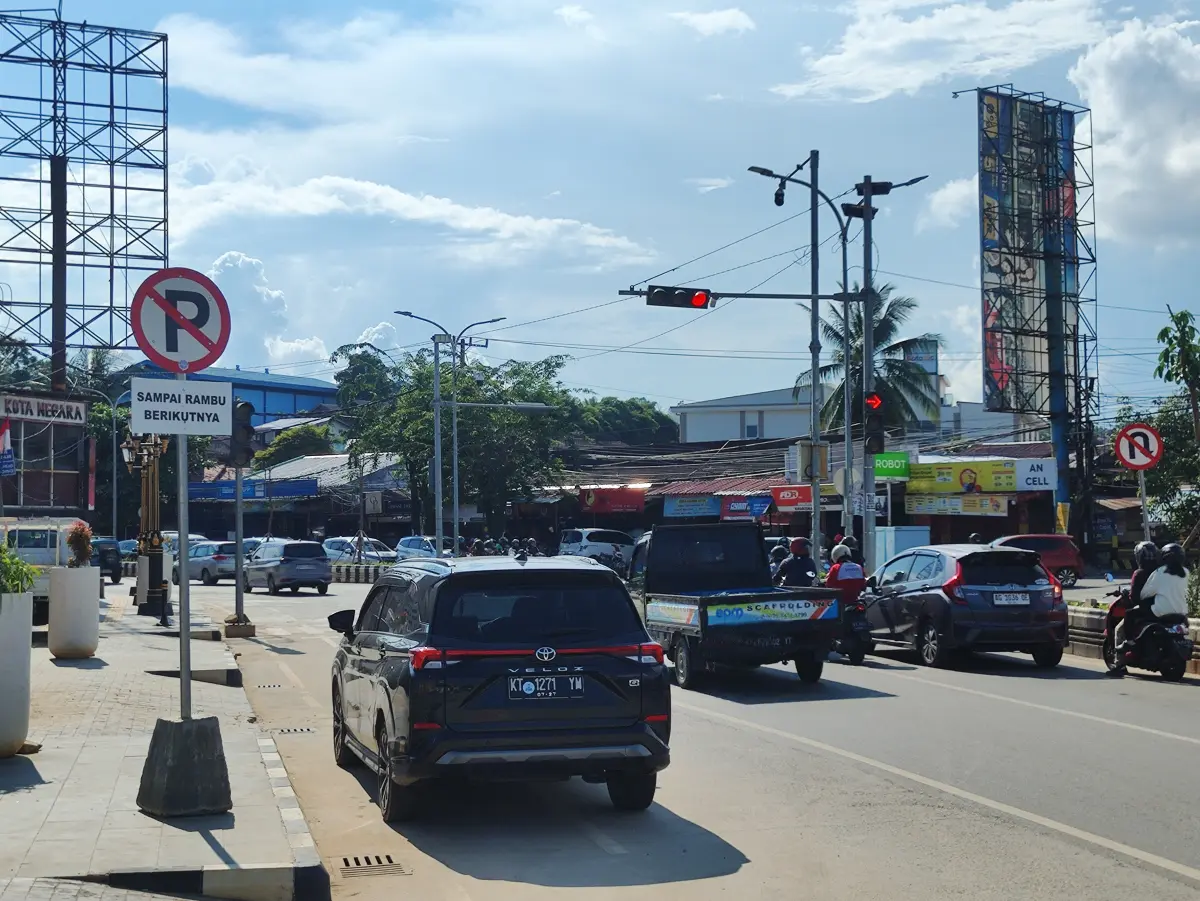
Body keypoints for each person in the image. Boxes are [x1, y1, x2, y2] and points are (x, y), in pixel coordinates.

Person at [1108, 540, 1161, 677]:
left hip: (1144, 612)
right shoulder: (1161, 572)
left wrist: (1129, 598)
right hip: (1161, 609)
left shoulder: (1139, 573)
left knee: (1119, 630)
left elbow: (1135, 598)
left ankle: (1119, 664)